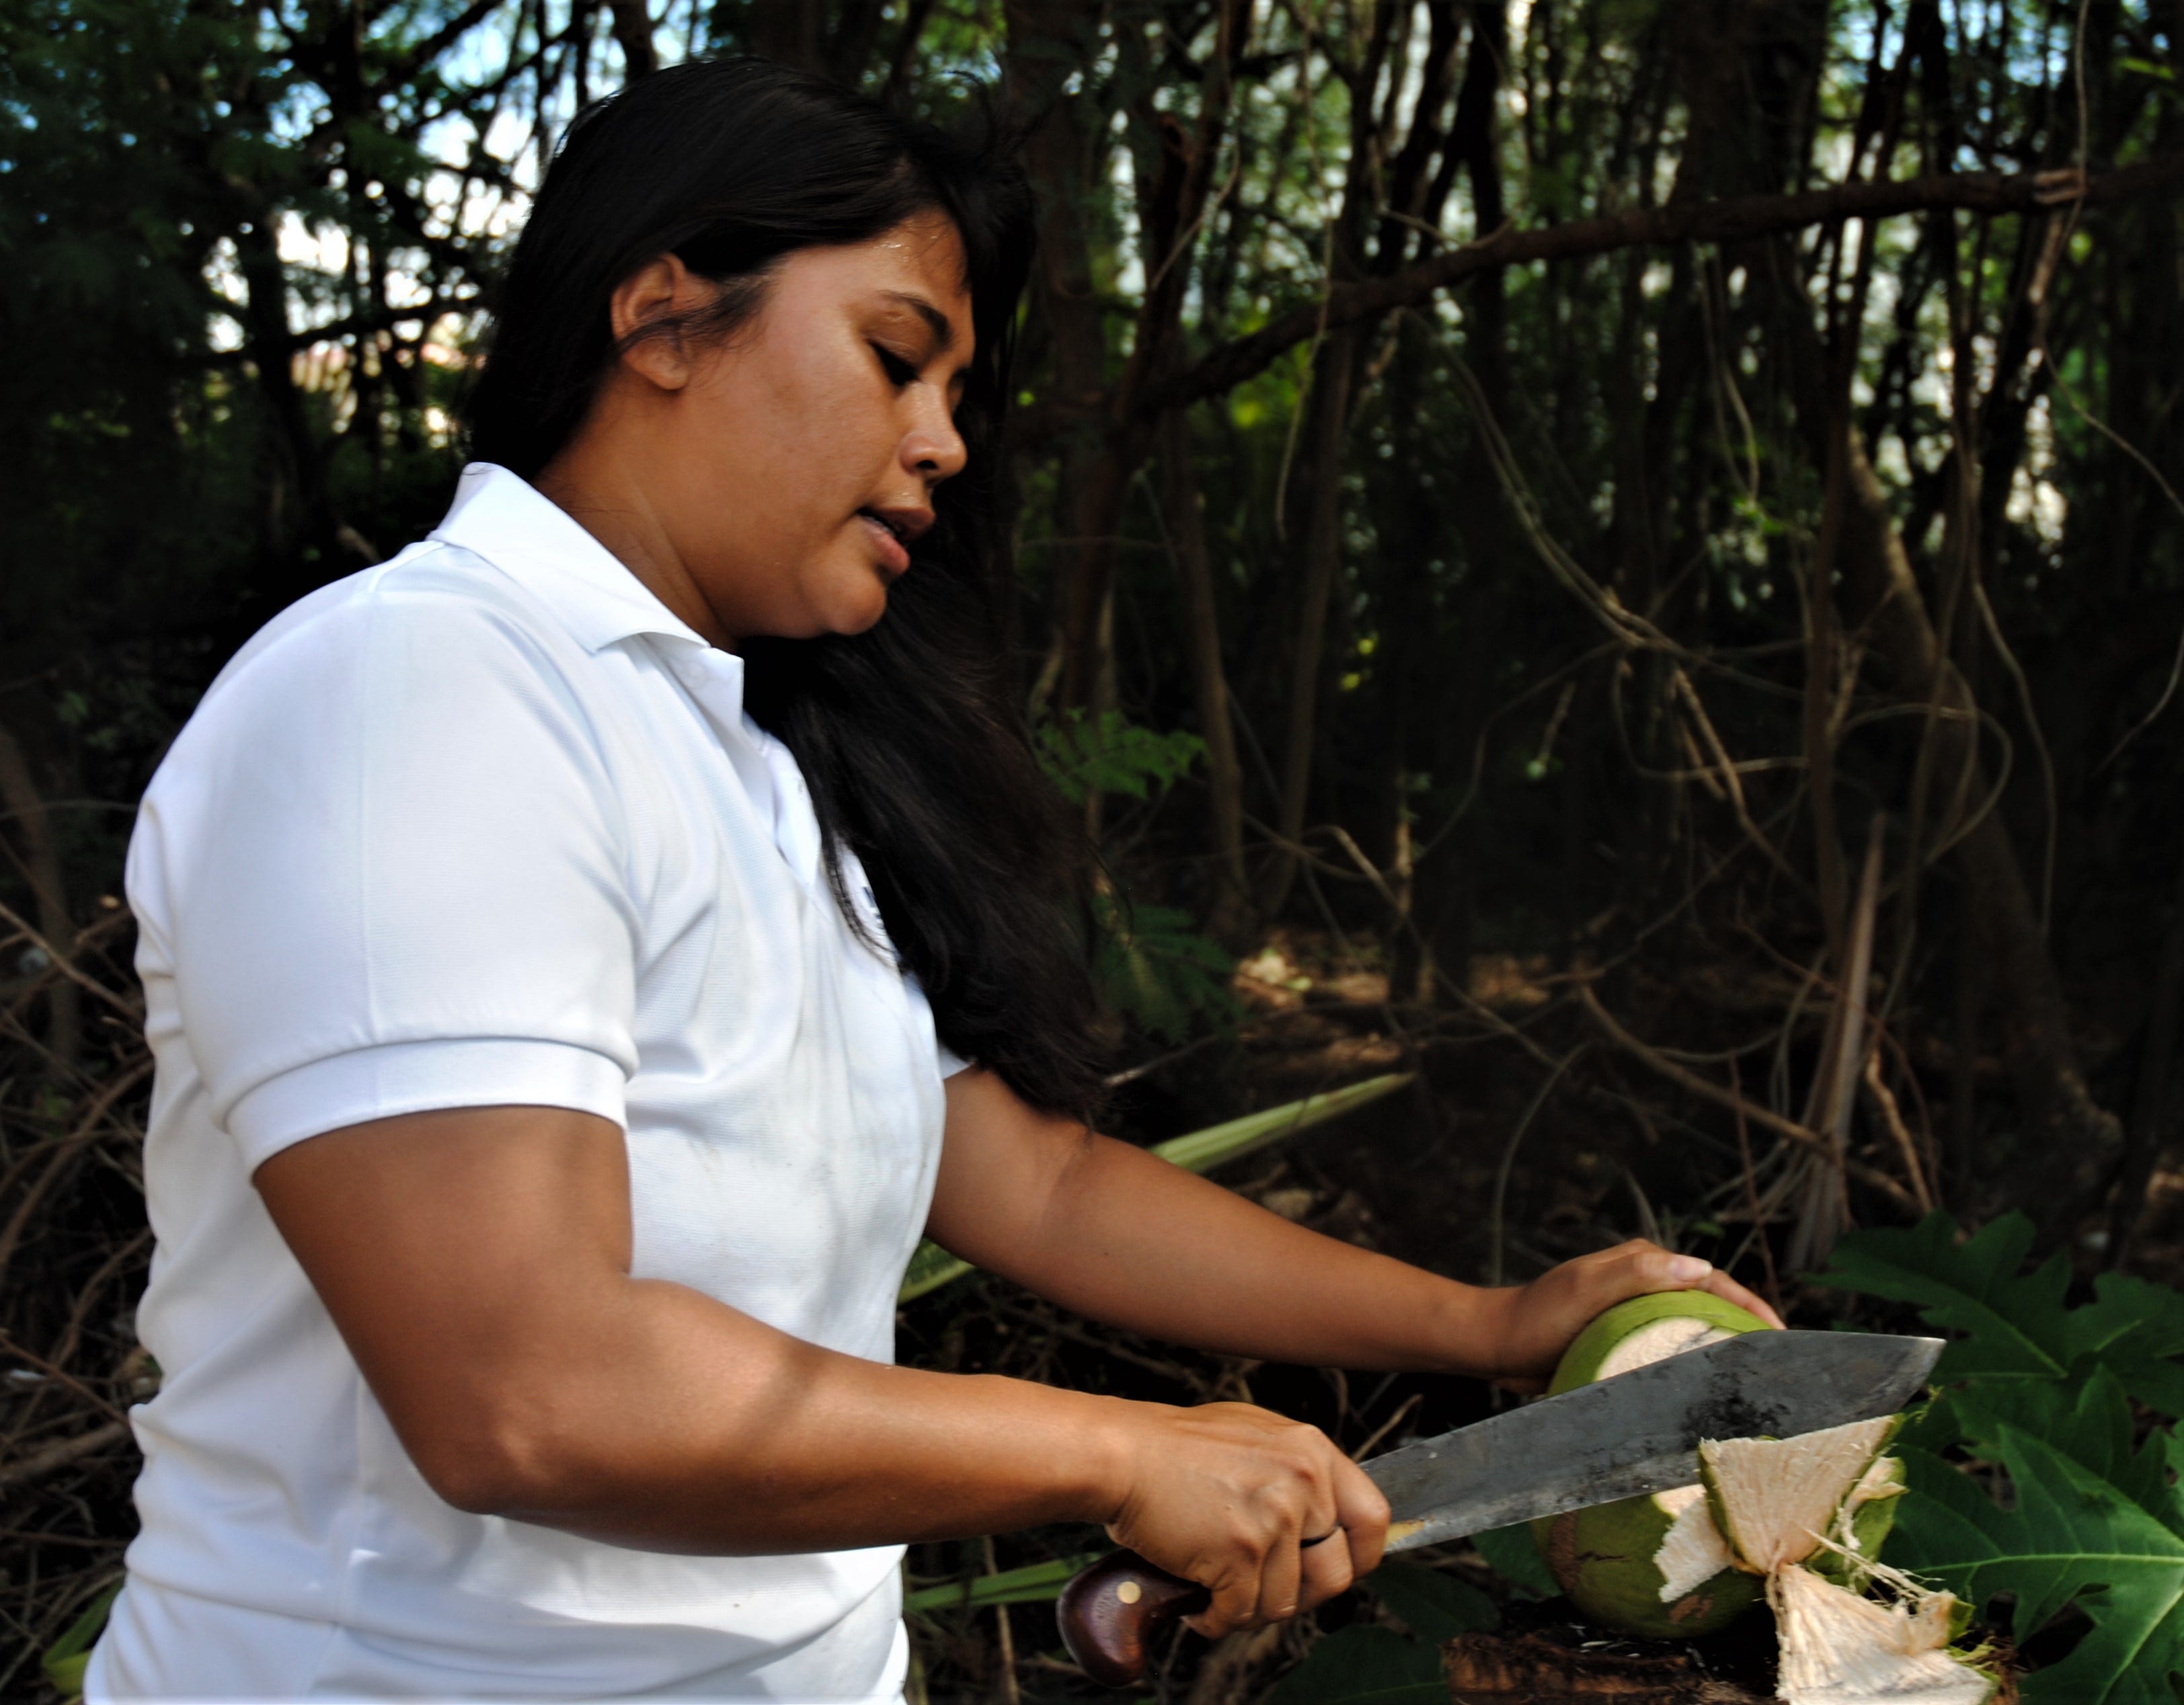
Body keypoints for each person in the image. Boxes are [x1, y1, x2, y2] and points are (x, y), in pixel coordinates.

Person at [88, 58, 1781, 1704]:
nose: (945, 442)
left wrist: (1493, 1324)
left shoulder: (748, 759)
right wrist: (1114, 1450)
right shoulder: (423, 690)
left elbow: (1033, 1186)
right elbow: (525, 1386)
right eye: (900, 358)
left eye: (957, 392)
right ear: (665, 314)